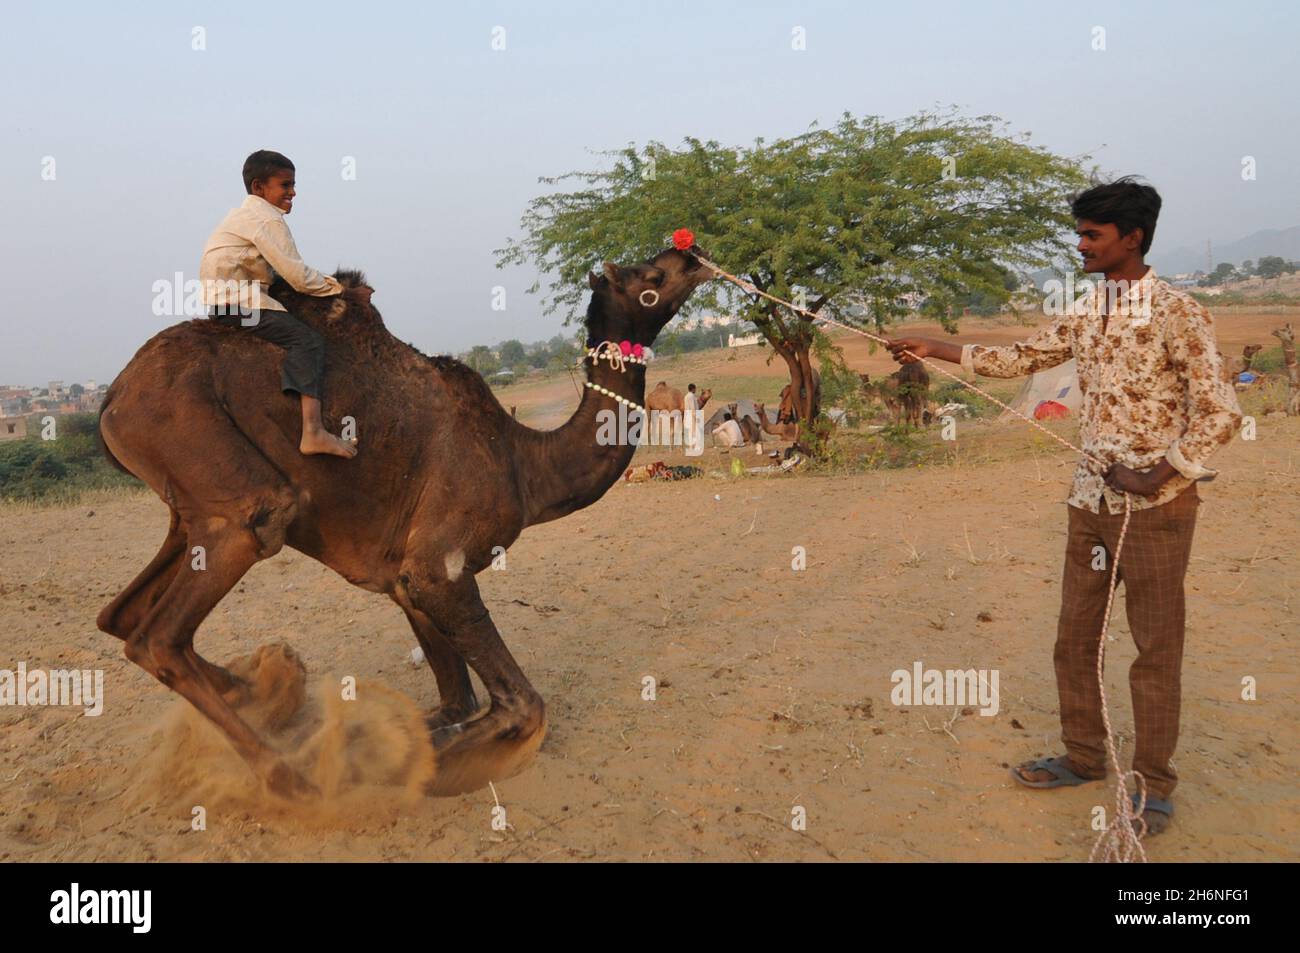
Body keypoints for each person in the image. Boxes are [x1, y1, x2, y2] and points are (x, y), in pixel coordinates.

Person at [886, 177, 1242, 837]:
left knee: (1155, 649)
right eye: (1079, 233)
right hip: (1089, 502)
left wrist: (1160, 472)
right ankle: (1083, 755)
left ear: (1131, 238)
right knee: (1073, 639)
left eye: (1091, 235)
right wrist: (933, 347)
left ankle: (1154, 786)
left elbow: (1220, 410)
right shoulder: (1086, 308)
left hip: (1157, 509)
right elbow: (1022, 357)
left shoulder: (1177, 311)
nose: (1079, 245)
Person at [200, 150, 359, 458]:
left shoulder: (241, 216)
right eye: (285, 185)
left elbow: (278, 274)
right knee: (308, 341)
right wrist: (343, 291)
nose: (293, 192)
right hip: (240, 304)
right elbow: (298, 276)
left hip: (227, 302)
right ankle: (312, 432)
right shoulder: (267, 220)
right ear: (260, 188)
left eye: (293, 185)